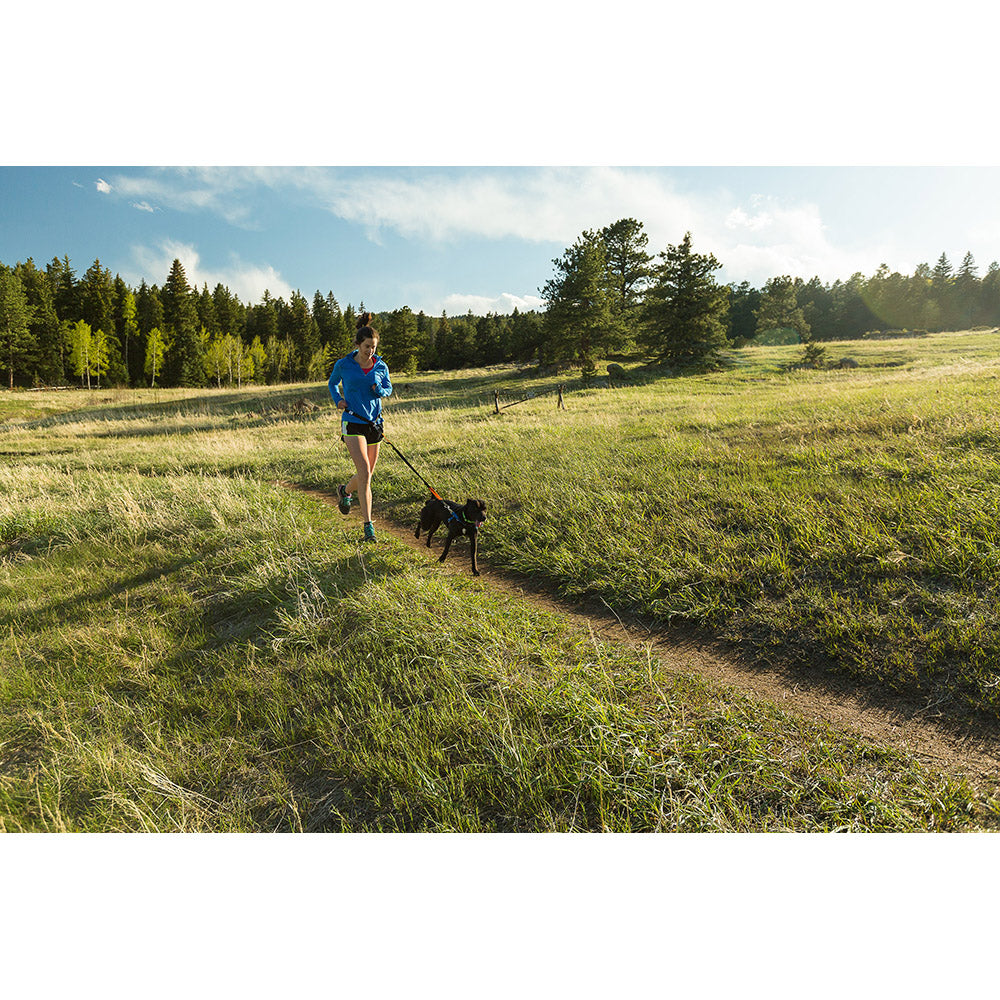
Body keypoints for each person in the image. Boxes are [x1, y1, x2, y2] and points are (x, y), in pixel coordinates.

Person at [328, 312, 393, 542]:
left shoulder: (381, 366)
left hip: (374, 423)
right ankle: (368, 527)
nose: (370, 351)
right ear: (358, 345)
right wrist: (338, 400)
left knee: (368, 475)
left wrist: (380, 391)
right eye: (367, 347)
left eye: (373, 347)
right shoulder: (344, 364)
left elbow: (388, 388)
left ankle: (345, 491)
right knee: (364, 471)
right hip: (352, 420)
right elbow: (332, 383)